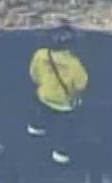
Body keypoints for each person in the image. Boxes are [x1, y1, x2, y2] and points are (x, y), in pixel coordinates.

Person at [26, 23, 88, 165]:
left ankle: (37, 128)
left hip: (44, 96)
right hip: (64, 104)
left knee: (43, 112)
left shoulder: (41, 54)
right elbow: (81, 84)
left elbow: (34, 74)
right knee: (66, 129)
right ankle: (61, 152)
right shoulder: (74, 64)